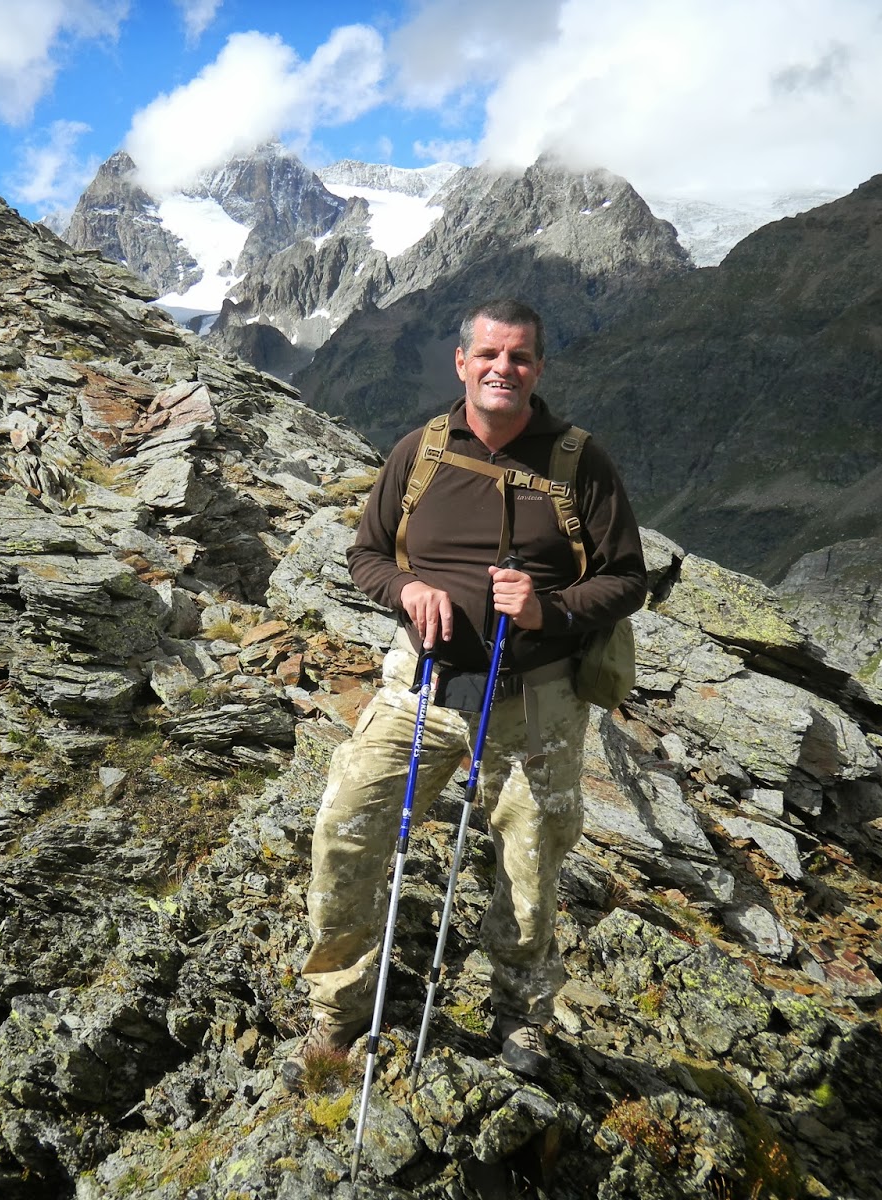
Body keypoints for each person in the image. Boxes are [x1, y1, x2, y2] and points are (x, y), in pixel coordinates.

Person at [285, 296, 647, 1085]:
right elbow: (366, 556)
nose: (502, 369)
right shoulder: (419, 452)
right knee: (346, 826)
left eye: (519, 357)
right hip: (420, 687)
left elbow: (627, 580)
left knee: (528, 864)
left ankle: (521, 1018)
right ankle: (339, 1013)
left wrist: (548, 609)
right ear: (461, 363)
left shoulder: (580, 463)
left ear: (539, 369)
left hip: (536, 703)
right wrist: (407, 591)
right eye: (488, 354)